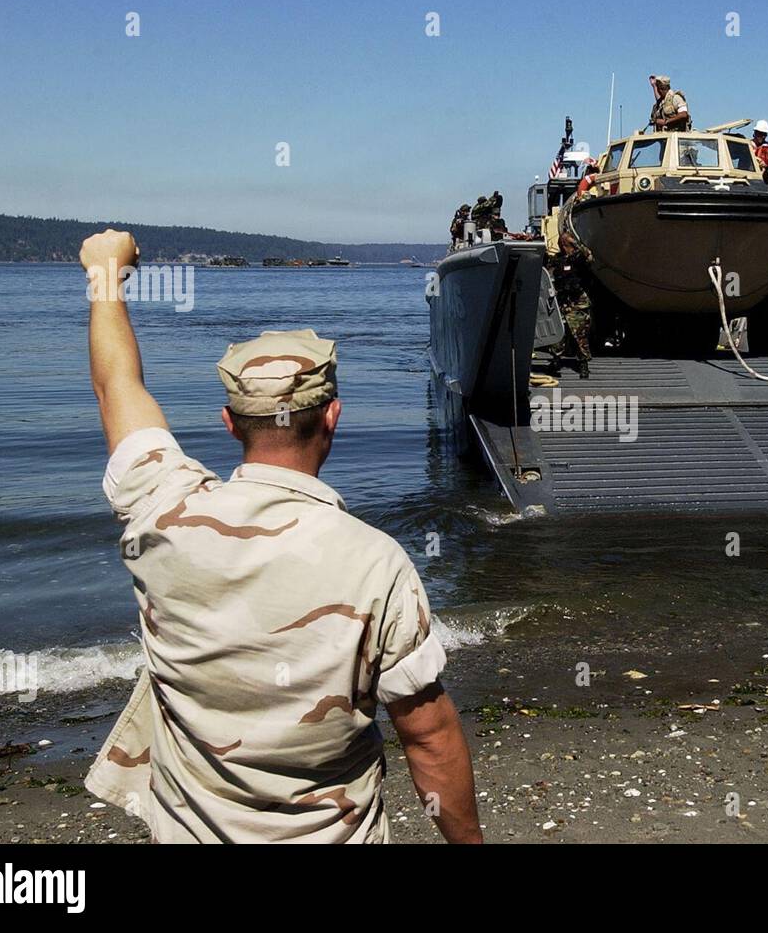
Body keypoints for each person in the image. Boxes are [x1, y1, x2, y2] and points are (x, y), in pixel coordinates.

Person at [78, 229, 481, 844]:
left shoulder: (161, 509)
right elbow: (427, 738)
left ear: (229, 422)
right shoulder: (377, 565)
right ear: (333, 416)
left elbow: (117, 387)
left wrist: (107, 275)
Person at [548, 227, 592, 379]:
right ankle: (555, 360)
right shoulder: (558, 260)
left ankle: (583, 363)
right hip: (561, 301)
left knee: (579, 335)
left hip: (577, 301)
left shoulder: (579, 258)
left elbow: (588, 255)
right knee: (558, 334)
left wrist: (575, 242)